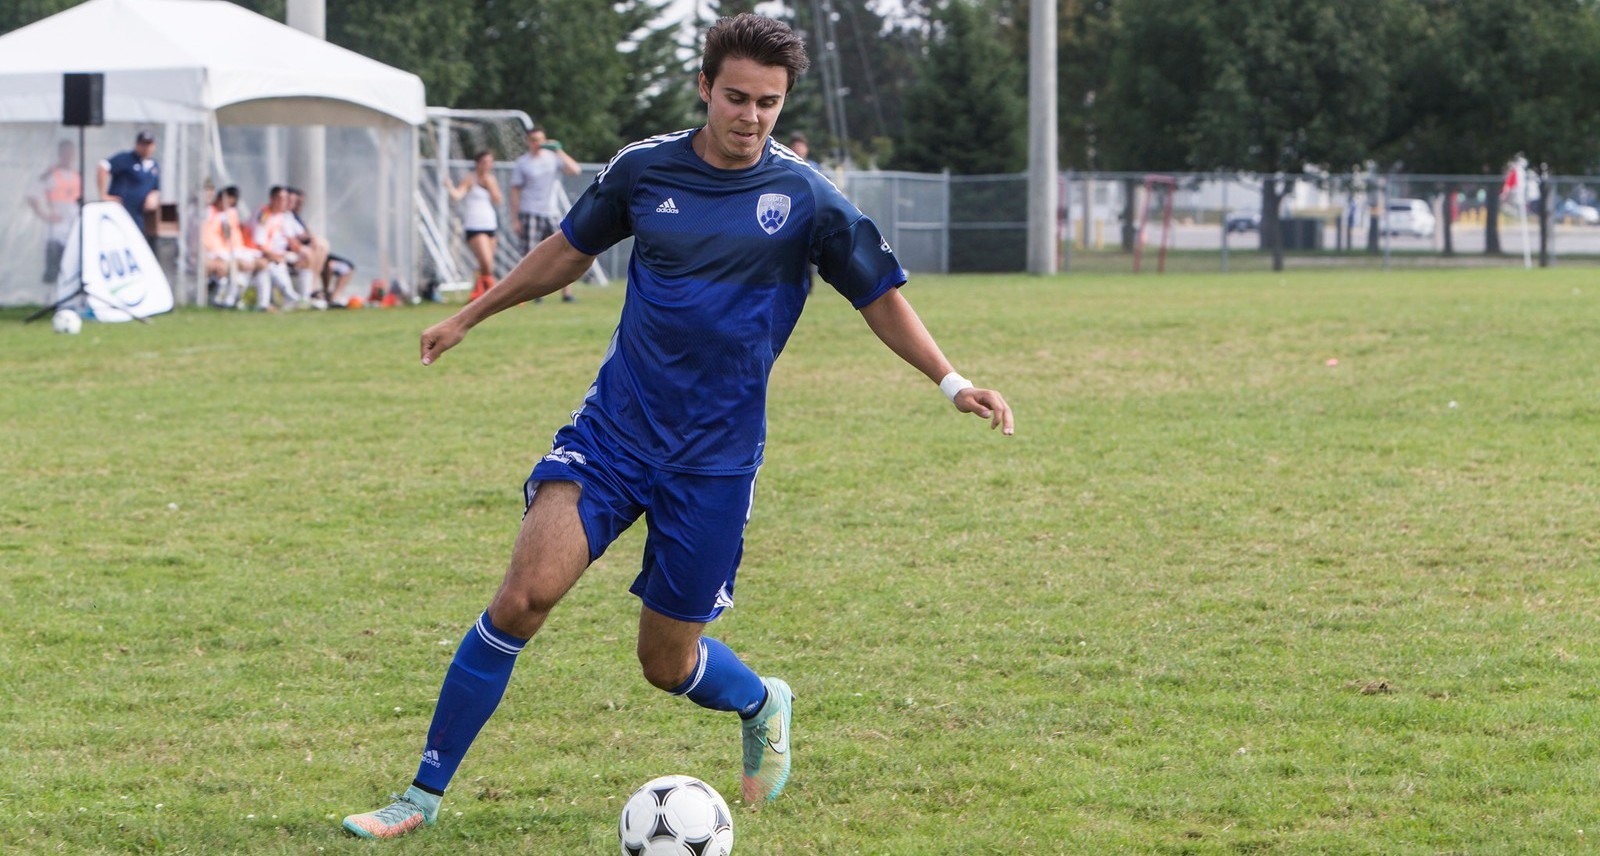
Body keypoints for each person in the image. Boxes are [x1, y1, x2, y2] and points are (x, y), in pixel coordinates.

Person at [340, 13, 1013, 841]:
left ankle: (764, 702)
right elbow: (567, 250)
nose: (752, 116)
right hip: (614, 435)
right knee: (523, 597)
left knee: (665, 664)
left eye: (769, 102)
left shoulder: (806, 198)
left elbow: (878, 296)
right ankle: (419, 798)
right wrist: (470, 317)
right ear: (704, 86)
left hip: (716, 461)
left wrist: (953, 382)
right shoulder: (643, 171)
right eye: (736, 97)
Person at [509, 124, 581, 303]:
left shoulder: (553, 158)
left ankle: (566, 293)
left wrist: (559, 151)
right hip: (530, 212)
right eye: (533, 141)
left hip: (552, 212)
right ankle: (533, 293)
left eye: (540, 140)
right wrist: (515, 218)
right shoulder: (523, 162)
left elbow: (575, 170)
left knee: (565, 250)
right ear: (528, 142)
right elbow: (515, 191)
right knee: (531, 256)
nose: (537, 144)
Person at [448, 150, 503, 301]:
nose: (487, 166)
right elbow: (457, 195)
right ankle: (492, 294)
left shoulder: (491, 179)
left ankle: (477, 294)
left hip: (489, 224)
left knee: (485, 265)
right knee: (487, 263)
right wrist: (449, 187)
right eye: (485, 162)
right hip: (474, 225)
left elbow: (498, 199)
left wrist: (490, 185)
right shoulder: (470, 179)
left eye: (490, 162)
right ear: (478, 163)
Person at [200, 185, 266, 307]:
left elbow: (230, 235)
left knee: (261, 263)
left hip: (234, 250)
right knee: (234, 265)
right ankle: (226, 299)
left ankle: (258, 301)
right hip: (218, 251)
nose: (227, 205)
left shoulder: (231, 213)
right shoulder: (209, 212)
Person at [27, 139, 80, 286]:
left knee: (71, 263)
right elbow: (32, 195)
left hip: (72, 225)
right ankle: (49, 297)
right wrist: (44, 215)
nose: (68, 155)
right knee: (53, 264)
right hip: (56, 228)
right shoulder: (50, 174)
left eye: (71, 152)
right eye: (66, 152)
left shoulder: (76, 174)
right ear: (60, 153)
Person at [98, 130, 160, 244]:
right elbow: (103, 166)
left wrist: (153, 198)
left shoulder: (154, 166)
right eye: (143, 144)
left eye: (149, 144)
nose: (146, 148)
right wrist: (103, 195)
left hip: (140, 219)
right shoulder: (126, 159)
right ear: (137, 145)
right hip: (121, 215)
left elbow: (155, 188)